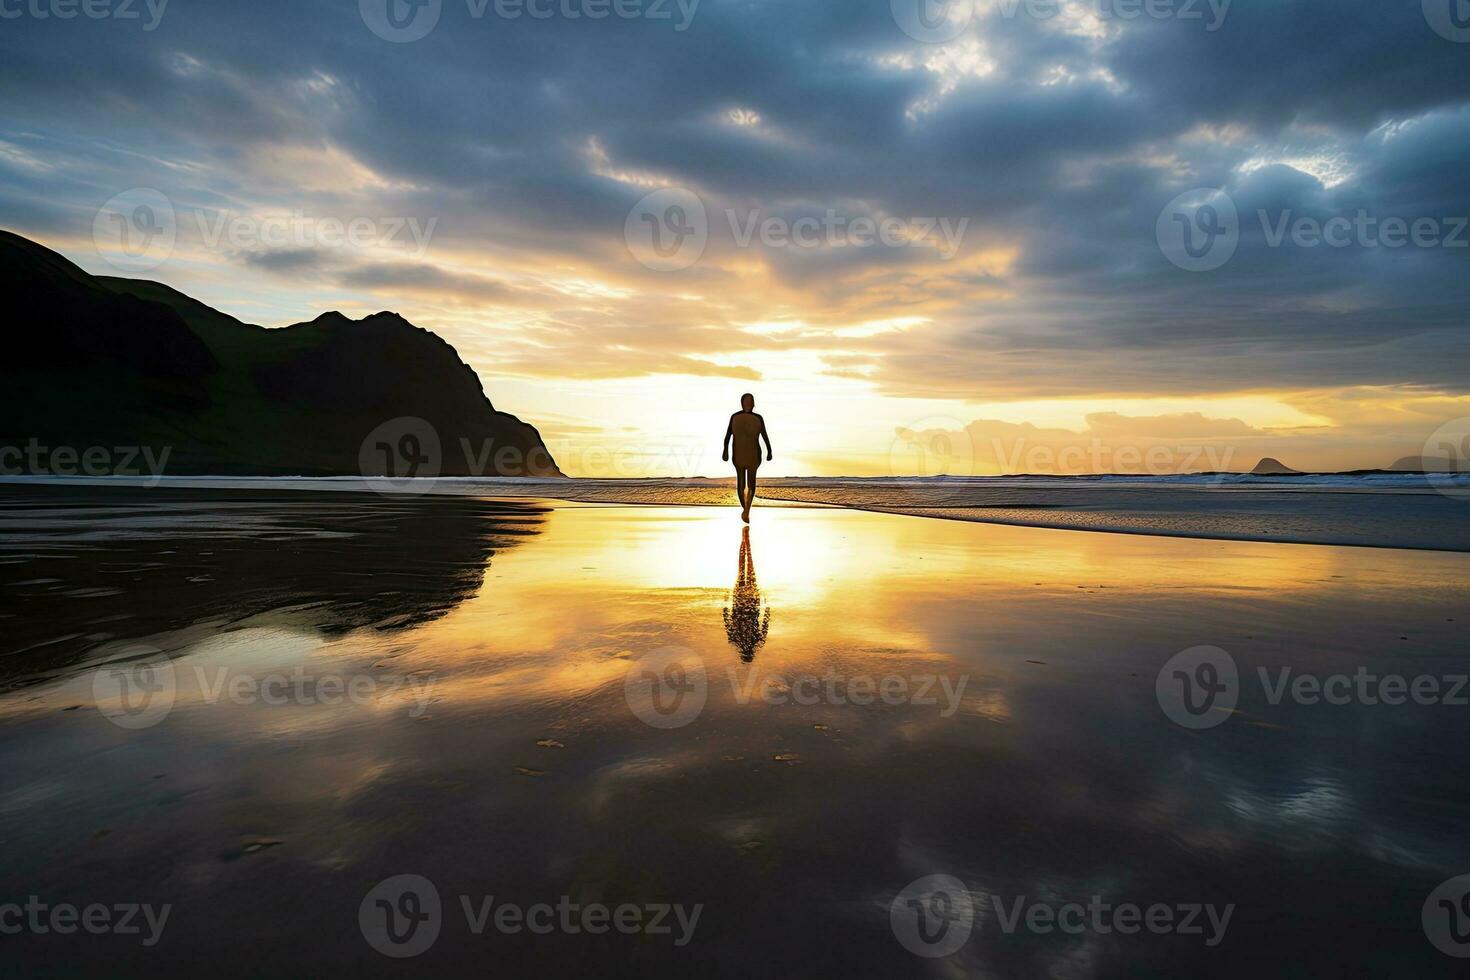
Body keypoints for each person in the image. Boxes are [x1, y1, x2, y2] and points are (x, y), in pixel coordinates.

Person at [722, 393, 772, 523]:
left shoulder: (758, 418)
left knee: (751, 484)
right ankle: (746, 509)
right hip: (738, 455)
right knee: (741, 483)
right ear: (742, 403)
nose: (748, 404)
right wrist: (725, 451)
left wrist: (769, 451)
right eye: (746, 402)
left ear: (754, 404)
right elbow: (727, 436)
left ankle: (746, 511)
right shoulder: (735, 417)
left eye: (750, 402)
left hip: (753, 455)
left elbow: (764, 435)